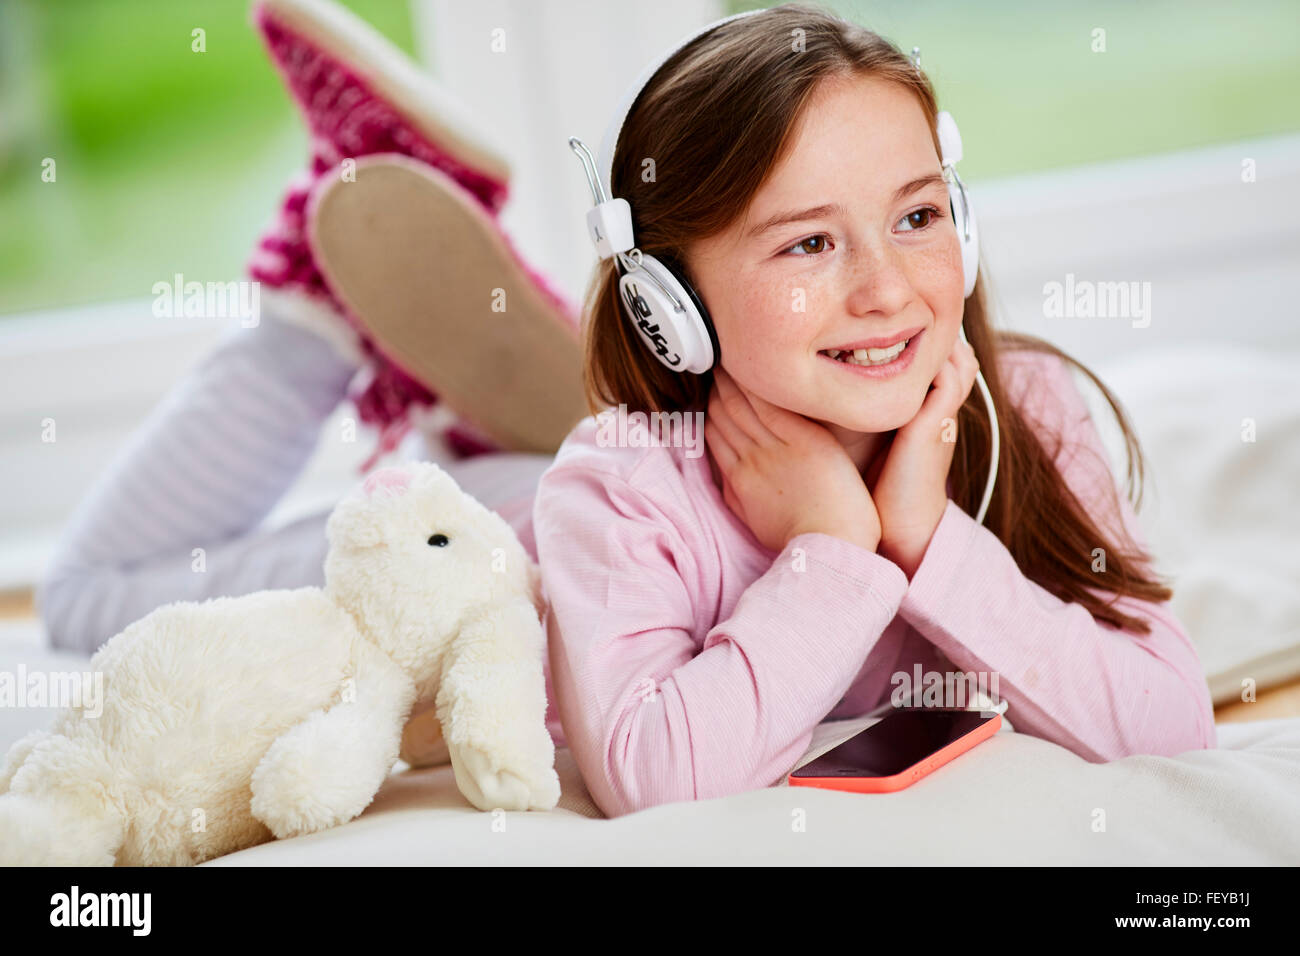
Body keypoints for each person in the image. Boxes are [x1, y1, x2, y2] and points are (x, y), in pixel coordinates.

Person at [530, 4, 1216, 818]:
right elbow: (657, 780)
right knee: (491, 514)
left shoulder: (1026, 405)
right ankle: (499, 393)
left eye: (918, 217)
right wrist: (832, 550)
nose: (887, 291)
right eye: (809, 244)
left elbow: (1173, 723)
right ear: (668, 301)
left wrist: (927, 540)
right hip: (537, 514)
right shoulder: (619, 490)